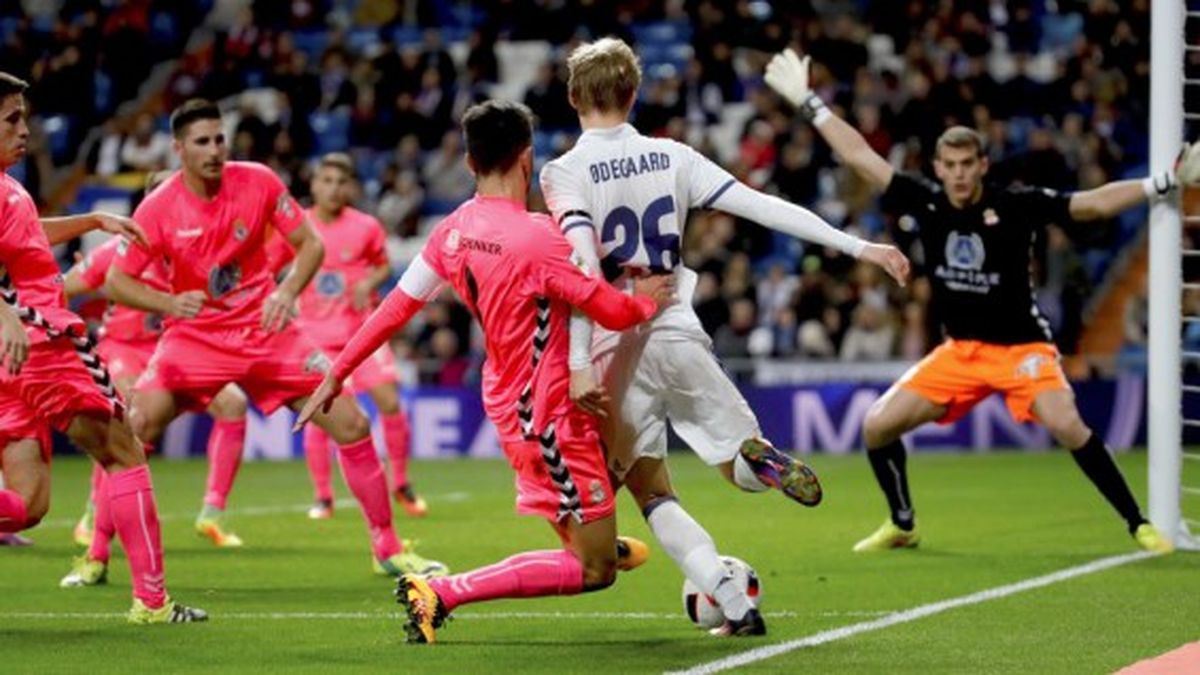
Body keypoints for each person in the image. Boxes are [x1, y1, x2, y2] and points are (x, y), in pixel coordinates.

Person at [539, 38, 911, 636]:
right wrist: (859, 246)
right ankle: (746, 528)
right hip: (676, 328)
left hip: (612, 342)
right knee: (735, 459)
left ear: (572, 97)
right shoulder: (672, 156)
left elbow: (584, 267)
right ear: (634, 94)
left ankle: (731, 598)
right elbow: (763, 206)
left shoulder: (563, 172)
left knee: (650, 490)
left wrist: (579, 360)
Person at [763, 48, 1188, 553]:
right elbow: (859, 156)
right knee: (877, 425)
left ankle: (1138, 523)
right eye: (951, 165)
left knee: (1067, 424)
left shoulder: (1014, 204)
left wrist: (1161, 183)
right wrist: (809, 103)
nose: (960, 174)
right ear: (938, 168)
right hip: (961, 352)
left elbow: (1090, 205)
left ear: (983, 165)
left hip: (1021, 349)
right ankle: (902, 523)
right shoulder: (927, 201)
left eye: (968, 164)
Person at [296, 100, 672, 644]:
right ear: (527, 159)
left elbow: (396, 307)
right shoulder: (539, 238)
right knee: (595, 570)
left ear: (470, 164)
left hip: (511, 401)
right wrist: (648, 300)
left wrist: (338, 371)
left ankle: (597, 537)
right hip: (548, 415)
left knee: (596, 521)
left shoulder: (452, 230)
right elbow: (610, 310)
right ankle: (444, 592)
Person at [104, 98, 445, 577]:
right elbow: (116, 281)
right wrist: (167, 304)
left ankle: (387, 548)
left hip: (268, 332)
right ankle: (96, 552)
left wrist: (286, 292)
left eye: (219, 138)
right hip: (197, 338)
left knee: (352, 424)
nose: (215, 150)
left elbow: (310, 245)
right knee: (134, 428)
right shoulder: (157, 207)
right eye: (202, 141)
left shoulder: (258, 181)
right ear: (179, 148)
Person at [0, 71, 206, 623]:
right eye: (12, 119)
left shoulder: (8, 188)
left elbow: (25, 236)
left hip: (13, 361)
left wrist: (92, 220)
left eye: (25, 117)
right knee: (124, 453)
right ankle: (153, 603)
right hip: (41, 341)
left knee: (28, 506)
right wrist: (5, 314)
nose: (26, 130)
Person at [58, 230, 251, 588]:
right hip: (124, 348)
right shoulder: (118, 251)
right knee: (129, 419)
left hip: (177, 347)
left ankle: (213, 512)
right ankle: (95, 531)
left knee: (234, 403)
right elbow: (63, 287)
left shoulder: (198, 254)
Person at [268, 152, 425, 520]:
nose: (334, 189)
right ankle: (323, 497)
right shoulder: (297, 227)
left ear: (351, 187)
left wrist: (369, 282)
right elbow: (268, 268)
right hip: (315, 336)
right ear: (313, 185)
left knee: (390, 402)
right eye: (326, 181)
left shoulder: (366, 226)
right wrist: (281, 297)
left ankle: (401, 483)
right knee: (322, 412)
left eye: (341, 182)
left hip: (361, 333)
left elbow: (382, 265)